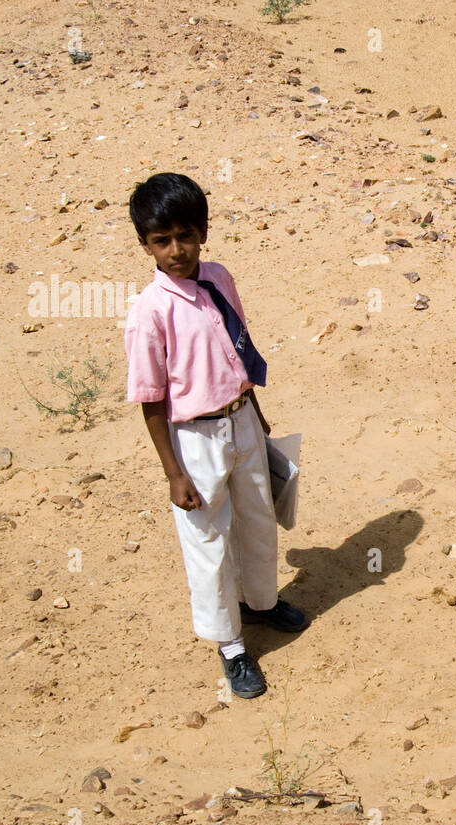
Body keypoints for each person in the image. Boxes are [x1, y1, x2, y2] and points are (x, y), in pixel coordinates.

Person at [124, 172, 306, 700]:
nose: (176, 250)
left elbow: (238, 348)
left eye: (185, 235)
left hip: (242, 415)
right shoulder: (150, 313)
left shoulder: (219, 278)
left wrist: (257, 411)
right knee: (208, 539)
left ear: (203, 231)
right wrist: (174, 473)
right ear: (145, 244)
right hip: (194, 437)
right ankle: (230, 645)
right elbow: (151, 397)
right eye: (162, 241)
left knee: (256, 516)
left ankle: (261, 603)